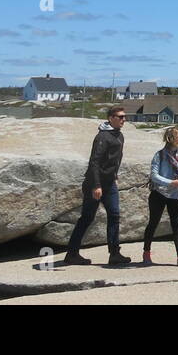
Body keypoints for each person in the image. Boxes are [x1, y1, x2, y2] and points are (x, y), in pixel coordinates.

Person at [63, 105, 130, 266]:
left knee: (114, 215)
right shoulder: (102, 137)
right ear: (111, 118)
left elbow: (114, 160)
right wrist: (96, 185)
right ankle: (72, 254)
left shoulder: (119, 136)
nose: (123, 120)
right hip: (95, 184)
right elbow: (94, 162)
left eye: (124, 117)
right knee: (87, 218)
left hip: (109, 184)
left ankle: (114, 253)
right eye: (120, 117)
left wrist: (114, 176)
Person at [142, 126, 178, 267]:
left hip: (175, 194)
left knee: (177, 225)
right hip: (159, 193)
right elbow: (154, 175)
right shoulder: (160, 155)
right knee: (153, 223)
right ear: (170, 139)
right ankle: (146, 252)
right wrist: (171, 182)